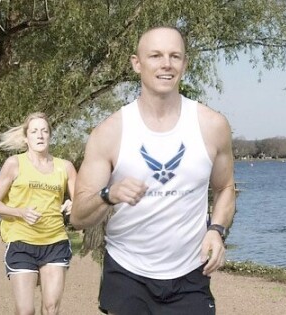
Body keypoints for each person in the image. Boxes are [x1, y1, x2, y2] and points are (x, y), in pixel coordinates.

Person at [70, 26, 238, 315]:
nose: (166, 64)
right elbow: (79, 216)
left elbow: (225, 189)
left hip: (190, 274)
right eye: (156, 55)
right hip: (127, 273)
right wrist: (109, 194)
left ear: (184, 64)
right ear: (137, 63)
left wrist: (217, 230)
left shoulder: (212, 126)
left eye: (175, 56)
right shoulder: (110, 132)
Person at [0, 112, 78, 315]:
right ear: (26, 137)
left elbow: (82, 200)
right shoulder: (14, 163)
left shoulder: (65, 167)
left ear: (50, 136)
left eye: (44, 131)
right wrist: (20, 212)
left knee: (51, 307)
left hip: (55, 242)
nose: (40, 135)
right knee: (25, 310)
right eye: (34, 131)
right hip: (22, 243)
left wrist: (74, 204)